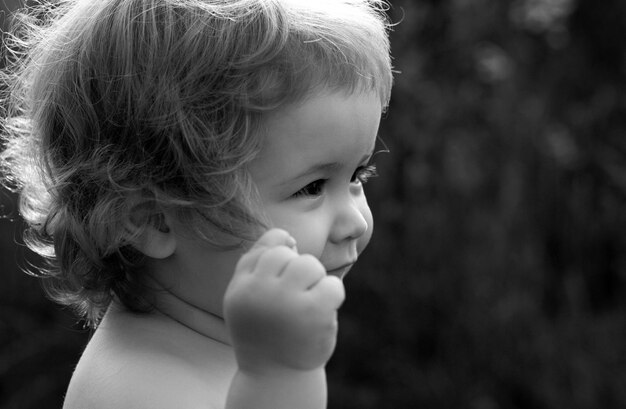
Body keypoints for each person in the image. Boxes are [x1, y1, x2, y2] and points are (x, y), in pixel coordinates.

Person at [0, 0, 393, 407]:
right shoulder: (137, 388)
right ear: (152, 219)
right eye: (311, 188)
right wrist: (283, 375)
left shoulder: (219, 344)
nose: (356, 222)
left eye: (358, 176)